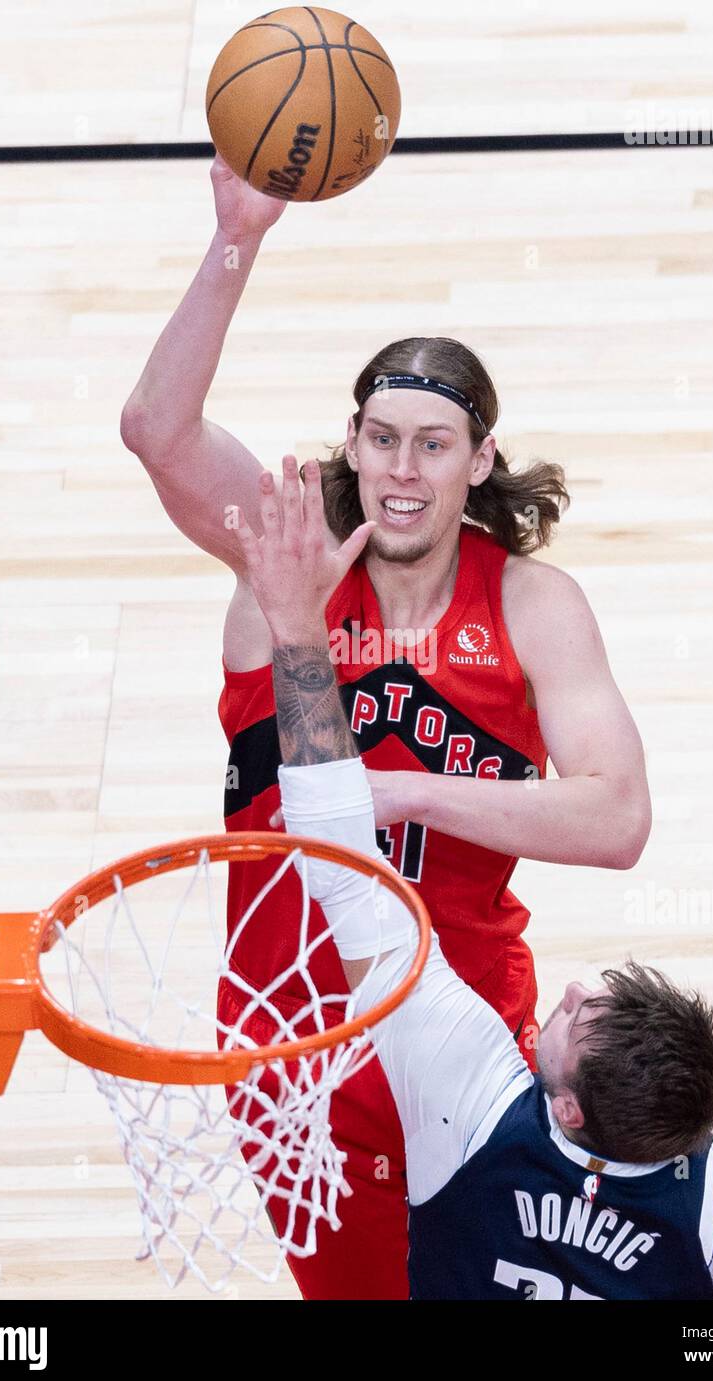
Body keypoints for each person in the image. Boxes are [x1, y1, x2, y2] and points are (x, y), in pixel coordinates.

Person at [120, 159, 652, 1299]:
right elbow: (155, 430)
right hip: (290, 1045)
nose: (402, 470)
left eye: (432, 444)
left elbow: (616, 818)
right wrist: (236, 238)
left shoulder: (529, 604)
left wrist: (399, 793)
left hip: (460, 1029)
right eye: (381, 438)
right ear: (350, 448)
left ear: (480, 462)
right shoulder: (283, 552)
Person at [237, 455, 713, 1301]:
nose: (563, 995)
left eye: (572, 1020)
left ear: (565, 1112)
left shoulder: (470, 1101)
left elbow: (338, 857)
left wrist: (295, 629)